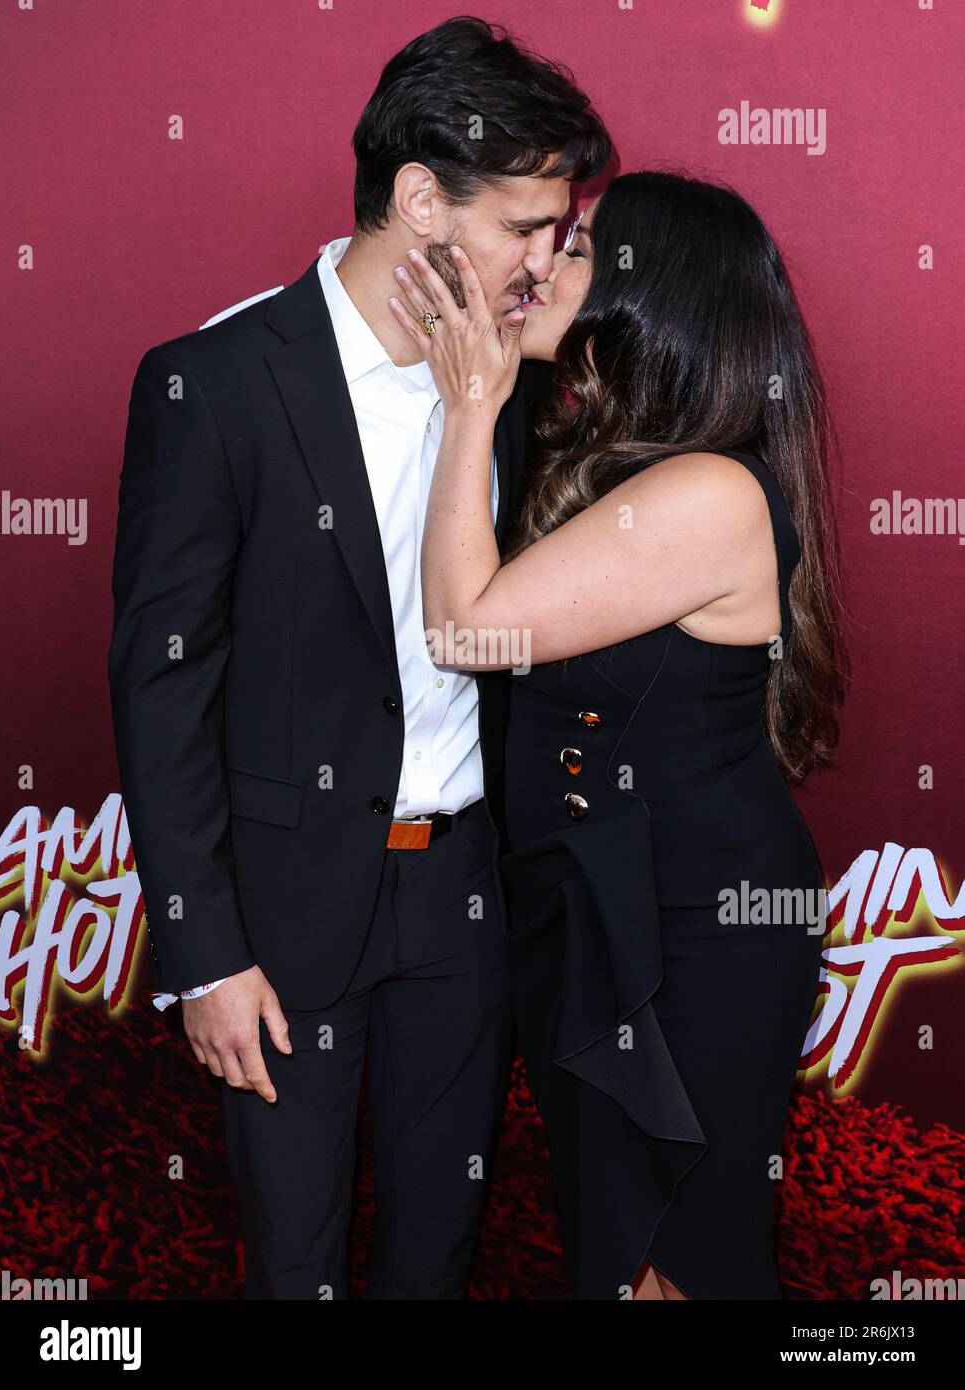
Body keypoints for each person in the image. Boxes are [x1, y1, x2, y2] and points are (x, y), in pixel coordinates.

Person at [107, 16, 611, 1299]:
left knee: (439, 1256)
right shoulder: (215, 385)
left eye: (562, 232)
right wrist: (206, 955)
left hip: (464, 899)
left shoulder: (517, 388)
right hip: (280, 914)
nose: (546, 264)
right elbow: (161, 688)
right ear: (420, 197)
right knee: (295, 1260)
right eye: (525, 227)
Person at [387, 171, 847, 1300]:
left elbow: (466, 628)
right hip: (596, 914)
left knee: (673, 1261)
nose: (542, 264)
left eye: (580, 248)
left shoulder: (708, 490)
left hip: (696, 934)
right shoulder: (612, 471)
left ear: (661, 298)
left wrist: (469, 403)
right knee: (619, 1253)